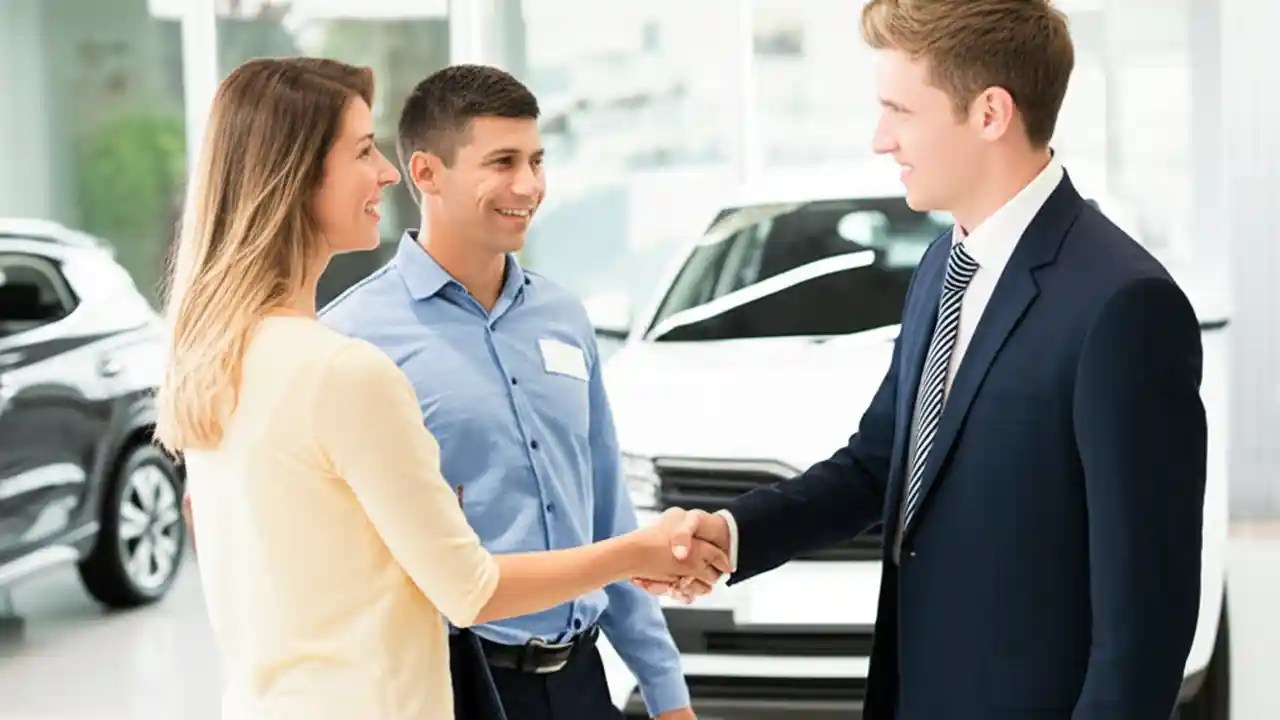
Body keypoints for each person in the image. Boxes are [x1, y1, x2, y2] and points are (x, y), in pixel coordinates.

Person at [652, 2, 1208, 718]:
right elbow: (876, 465)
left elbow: (1144, 628)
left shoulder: (1124, 307)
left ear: (990, 113)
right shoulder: (945, 265)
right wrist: (733, 536)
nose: (881, 139)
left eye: (900, 111)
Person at [157, 57, 726, 720]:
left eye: (537, 160)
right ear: (297, 172)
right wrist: (641, 552)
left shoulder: (223, 361)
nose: (386, 171)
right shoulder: (344, 365)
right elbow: (471, 588)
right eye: (364, 150)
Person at [319, 65, 702, 720]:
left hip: (582, 680)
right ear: (426, 173)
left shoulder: (563, 317)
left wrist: (667, 695)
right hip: (451, 685)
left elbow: (606, 508)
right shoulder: (351, 340)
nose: (529, 185)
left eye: (536, 160)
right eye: (502, 161)